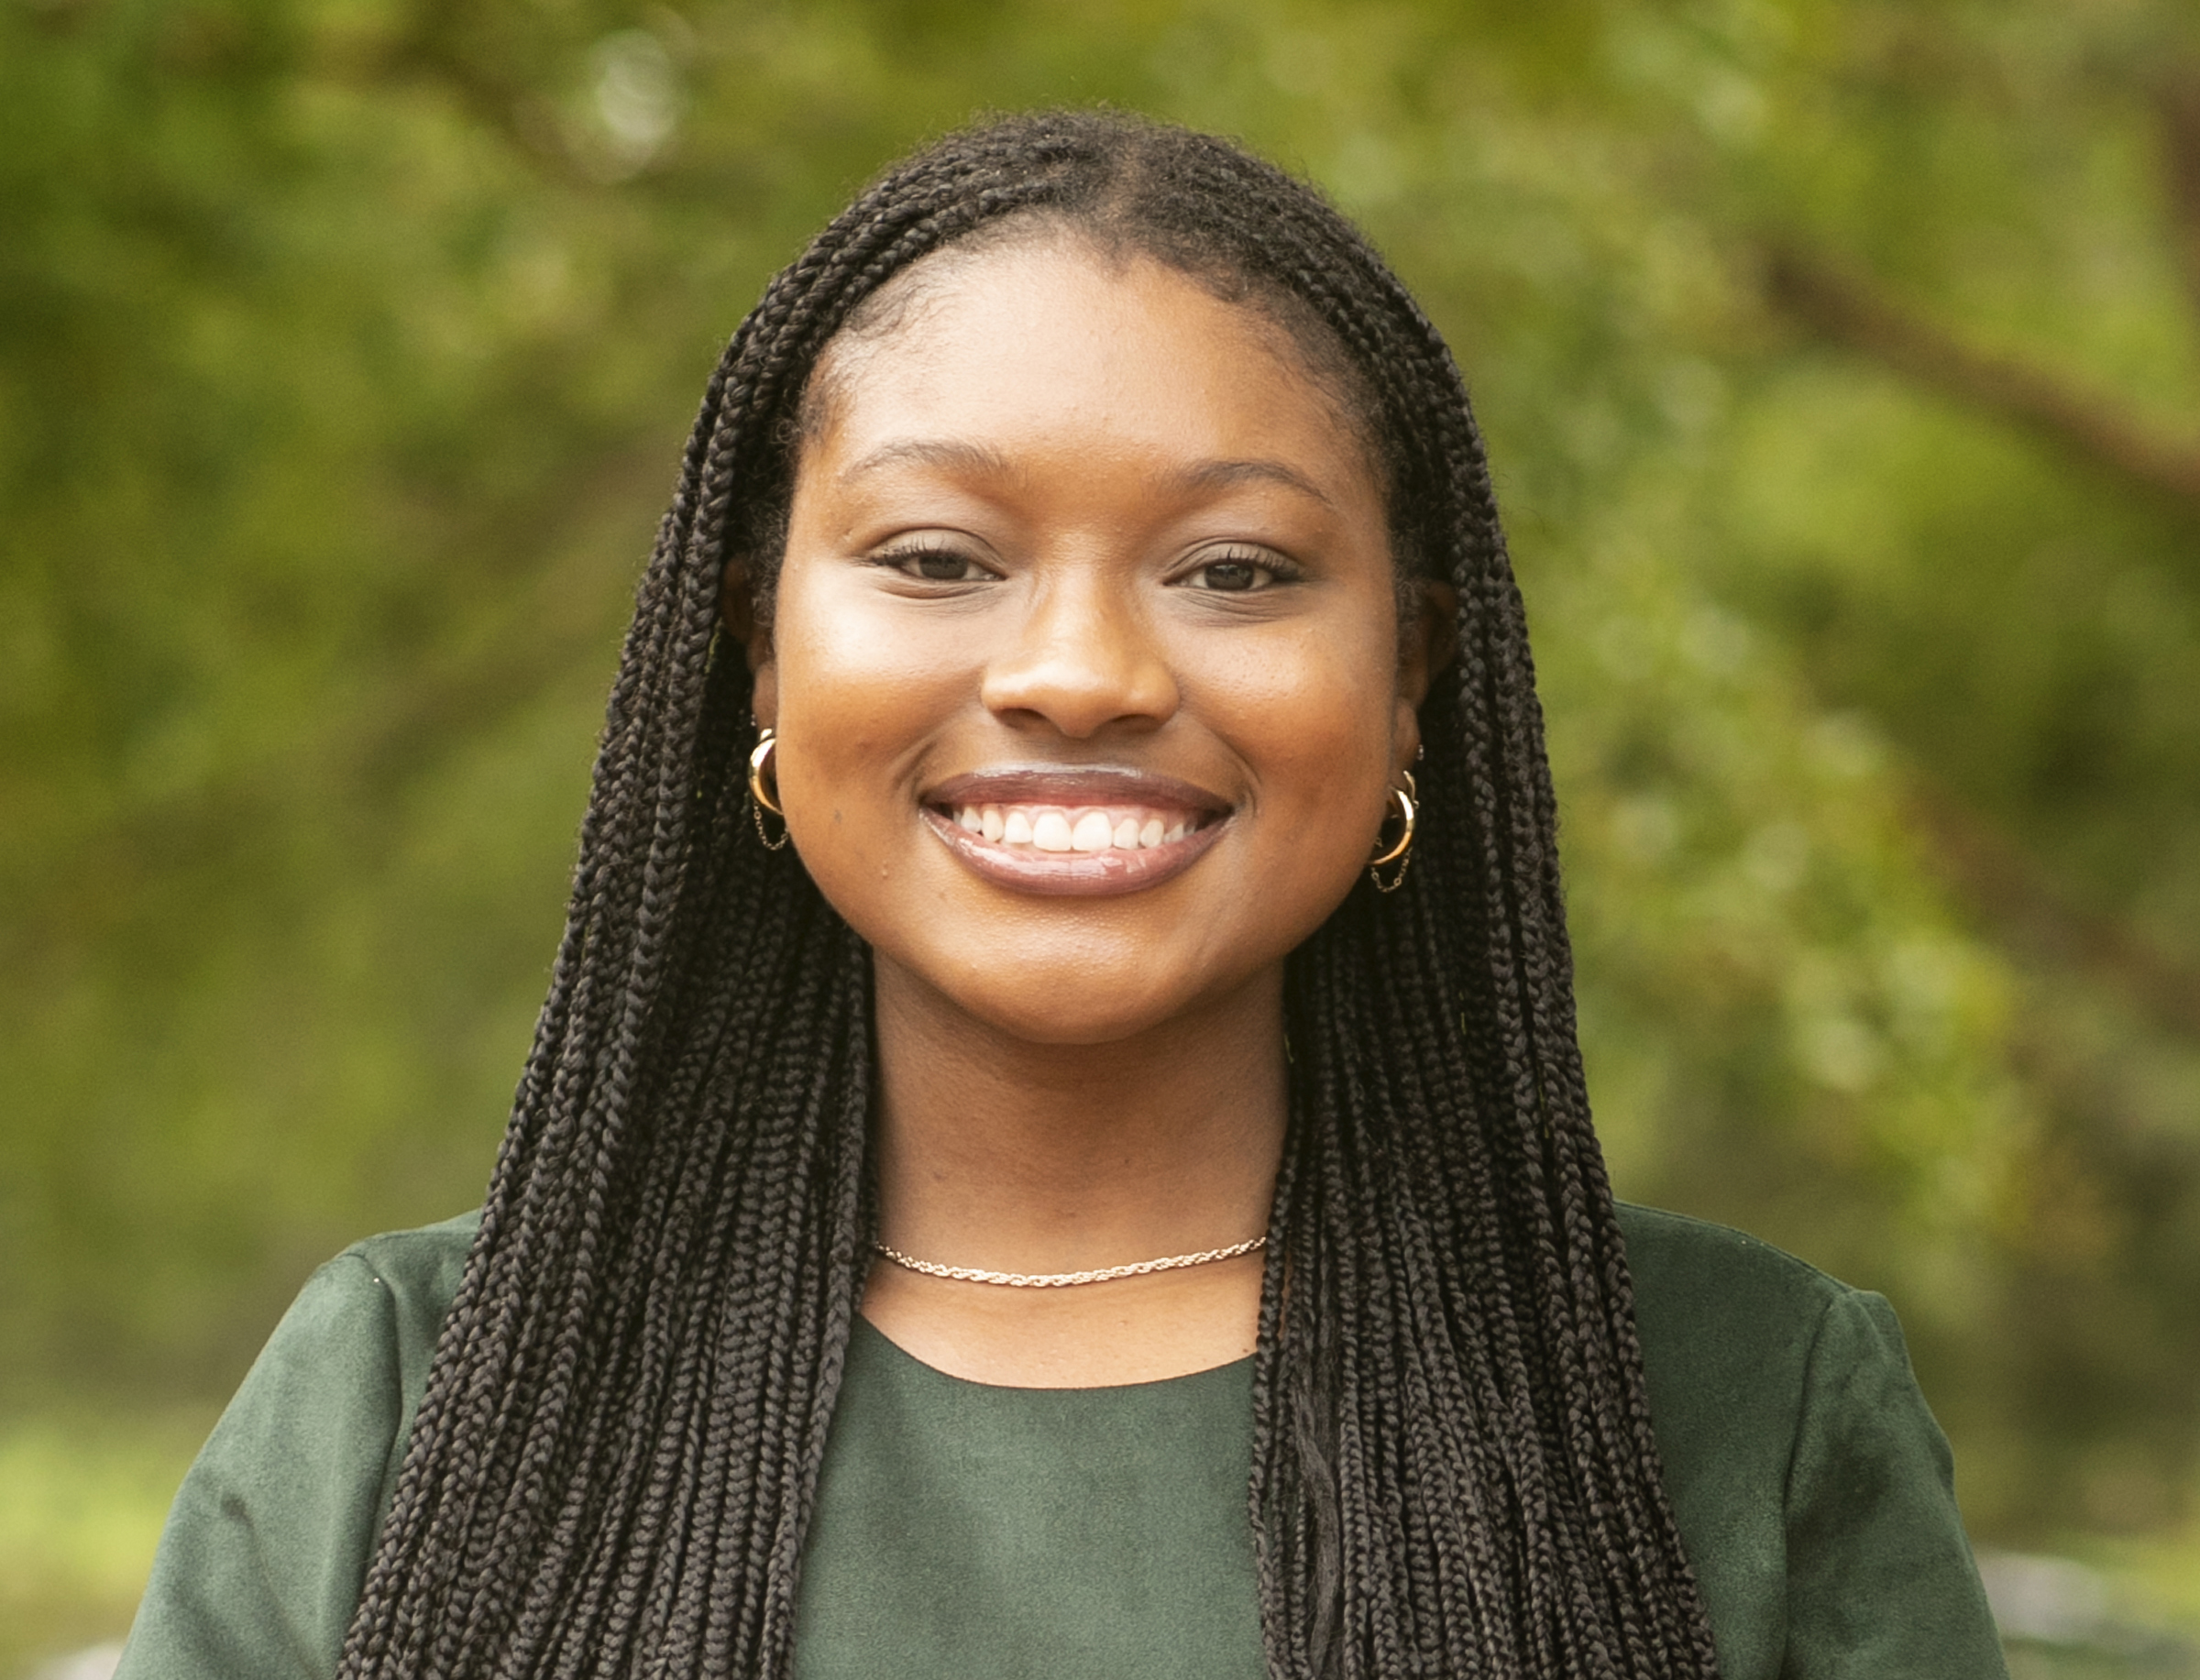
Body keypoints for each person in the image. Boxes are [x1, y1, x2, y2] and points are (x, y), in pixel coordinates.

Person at [114, 110, 2008, 1680]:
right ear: (756, 654)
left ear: (1410, 673)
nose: (1083, 669)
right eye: (939, 556)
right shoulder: (414, 1392)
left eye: (1239, 569)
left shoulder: (1738, 1410)